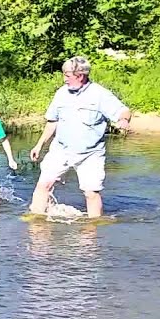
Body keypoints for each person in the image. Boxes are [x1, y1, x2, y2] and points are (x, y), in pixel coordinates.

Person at [29, 56, 131, 218]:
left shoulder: (99, 94)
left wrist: (123, 120)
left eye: (67, 75)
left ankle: (93, 227)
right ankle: (35, 222)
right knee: (43, 185)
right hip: (61, 149)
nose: (64, 79)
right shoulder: (61, 93)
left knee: (91, 193)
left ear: (80, 76)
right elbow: (52, 121)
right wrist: (39, 145)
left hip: (90, 154)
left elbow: (123, 111)